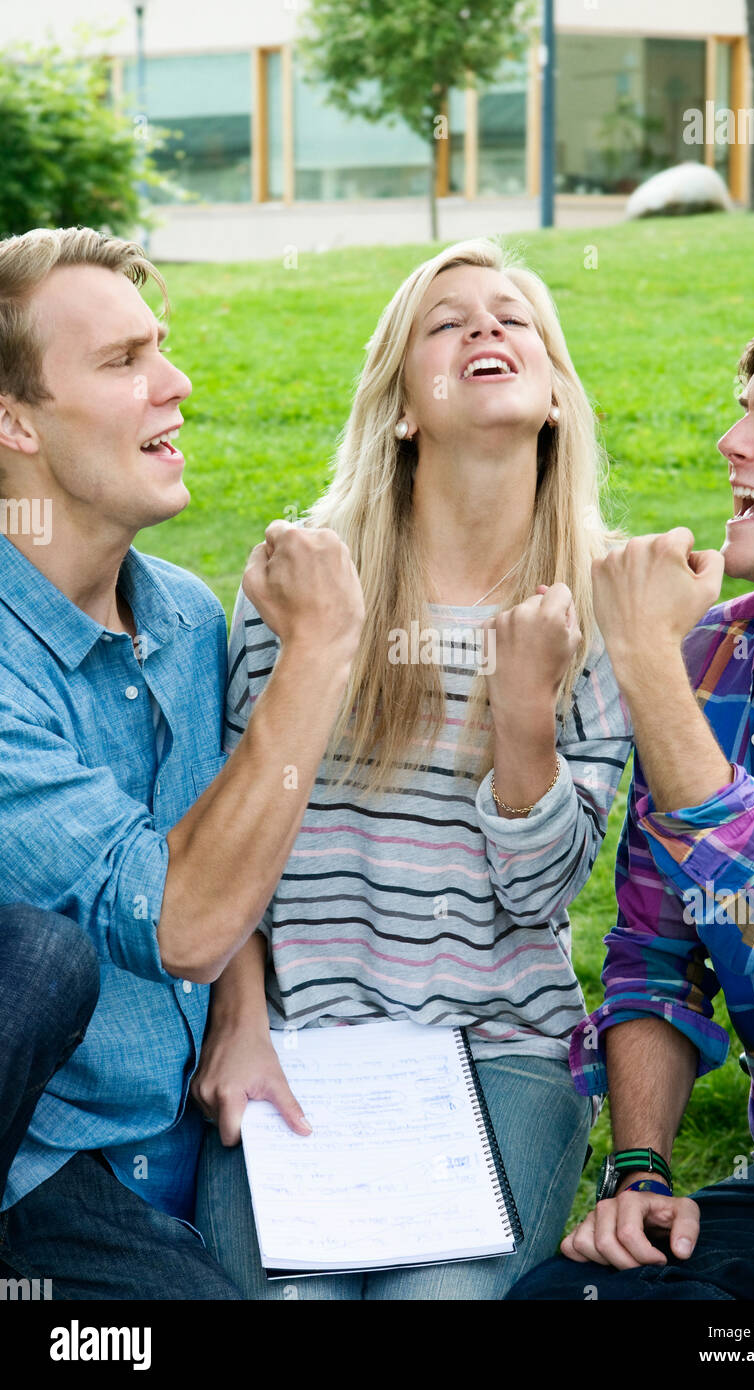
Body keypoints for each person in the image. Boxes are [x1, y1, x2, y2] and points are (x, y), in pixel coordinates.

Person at [192, 236, 633, 1299]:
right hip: (302, 1047)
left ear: (555, 396)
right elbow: (233, 843)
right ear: (400, 405)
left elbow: (542, 890)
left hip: (501, 1053)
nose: (486, 327)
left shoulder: (602, 604)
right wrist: (242, 1028)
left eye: (512, 316)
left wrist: (524, 710)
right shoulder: (302, 583)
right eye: (448, 321)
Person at [0, 226, 364, 1298]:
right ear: (13, 420)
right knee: (41, 959)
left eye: (159, 346)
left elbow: (223, 846)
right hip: (34, 1155)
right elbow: (184, 920)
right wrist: (320, 651)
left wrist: (245, 1023)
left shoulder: (184, 614)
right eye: (122, 363)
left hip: (149, 1127)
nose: (176, 381)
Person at [509, 296, 754, 1300]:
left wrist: (635, 655)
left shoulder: (663, 664)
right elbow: (654, 956)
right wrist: (637, 1168)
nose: (730, 442)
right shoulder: (705, 660)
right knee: (573, 1297)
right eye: (740, 412)